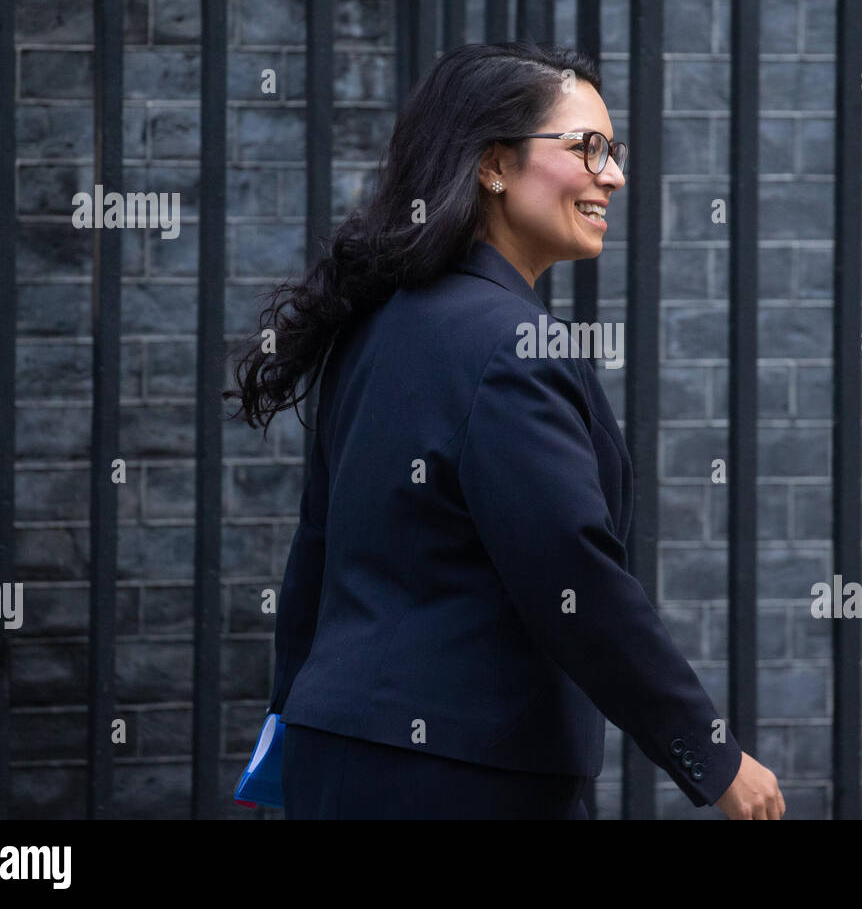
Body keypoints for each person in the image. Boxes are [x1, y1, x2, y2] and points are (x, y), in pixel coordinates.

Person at [226, 40, 784, 820]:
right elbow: (575, 580)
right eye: (588, 148)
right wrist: (712, 751)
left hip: (339, 755)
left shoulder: (379, 326)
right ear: (494, 165)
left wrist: (286, 731)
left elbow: (315, 558)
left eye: (613, 151)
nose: (614, 175)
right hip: (460, 773)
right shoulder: (511, 346)